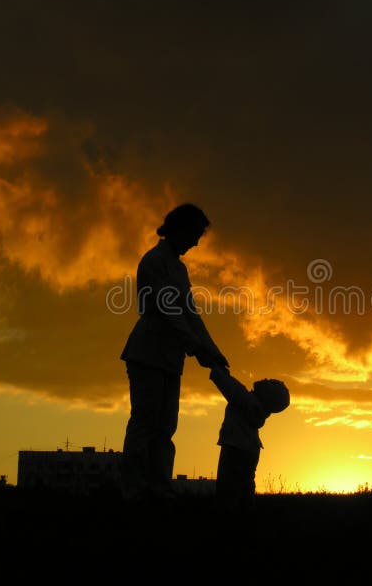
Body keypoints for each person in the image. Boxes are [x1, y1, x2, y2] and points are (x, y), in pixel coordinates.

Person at [120, 203, 228, 501]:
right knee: (145, 422)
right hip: (147, 353)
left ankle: (159, 487)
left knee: (166, 425)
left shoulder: (179, 268)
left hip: (170, 357)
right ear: (180, 229)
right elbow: (168, 311)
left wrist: (212, 350)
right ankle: (135, 489)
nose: (196, 243)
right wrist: (197, 348)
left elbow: (190, 314)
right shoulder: (154, 261)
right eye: (195, 235)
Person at [208, 364, 290, 513]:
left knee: (227, 488)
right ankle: (246, 514)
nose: (266, 379)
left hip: (235, 446)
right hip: (250, 448)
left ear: (267, 396)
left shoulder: (247, 401)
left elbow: (231, 388)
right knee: (245, 486)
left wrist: (217, 370)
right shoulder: (256, 408)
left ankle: (228, 517)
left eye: (270, 383)